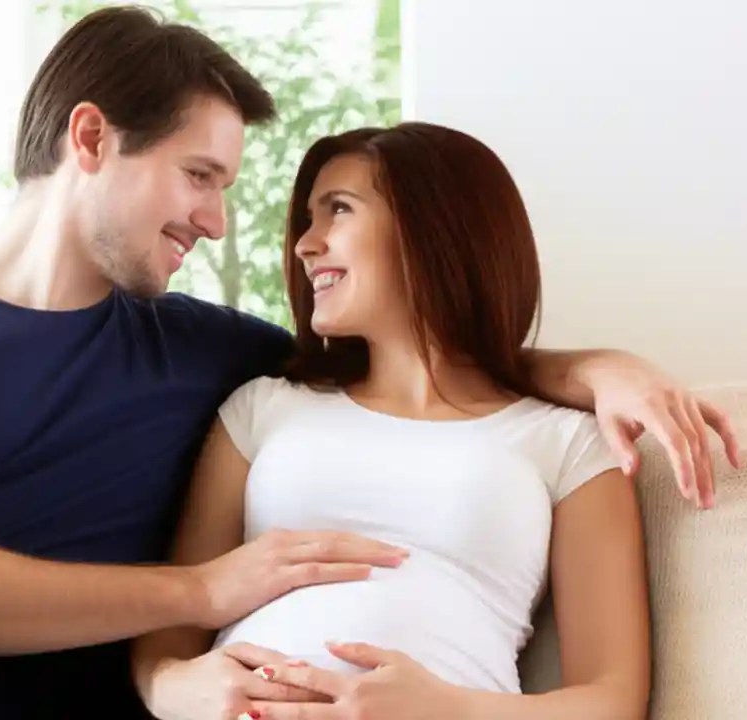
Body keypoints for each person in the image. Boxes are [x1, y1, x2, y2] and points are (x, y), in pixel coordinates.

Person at [0, 7, 739, 720]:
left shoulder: (225, 367)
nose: (219, 221)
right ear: (90, 139)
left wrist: (595, 367)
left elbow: (419, 368)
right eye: (199, 175)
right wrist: (201, 597)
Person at [133, 122, 668, 720]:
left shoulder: (569, 442)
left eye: (338, 209)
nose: (305, 244)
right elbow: (166, 640)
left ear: (431, 229)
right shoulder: (260, 409)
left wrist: (451, 711)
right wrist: (174, 689)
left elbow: (613, 700)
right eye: (308, 220)